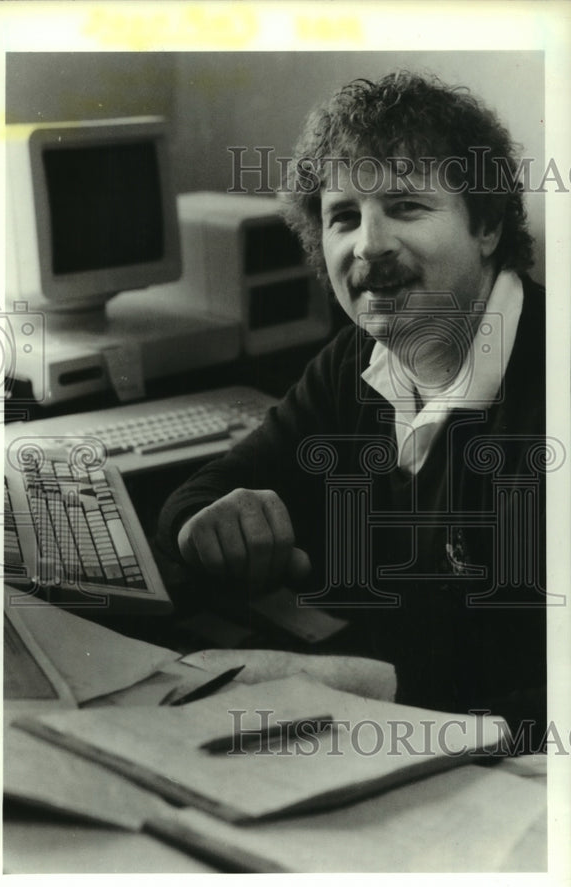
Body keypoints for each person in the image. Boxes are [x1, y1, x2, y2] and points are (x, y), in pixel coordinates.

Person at [156, 72, 546, 747]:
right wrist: (208, 524)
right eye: (343, 217)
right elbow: (202, 493)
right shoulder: (354, 362)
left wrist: (345, 683)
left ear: (485, 225)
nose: (367, 245)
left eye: (404, 206)